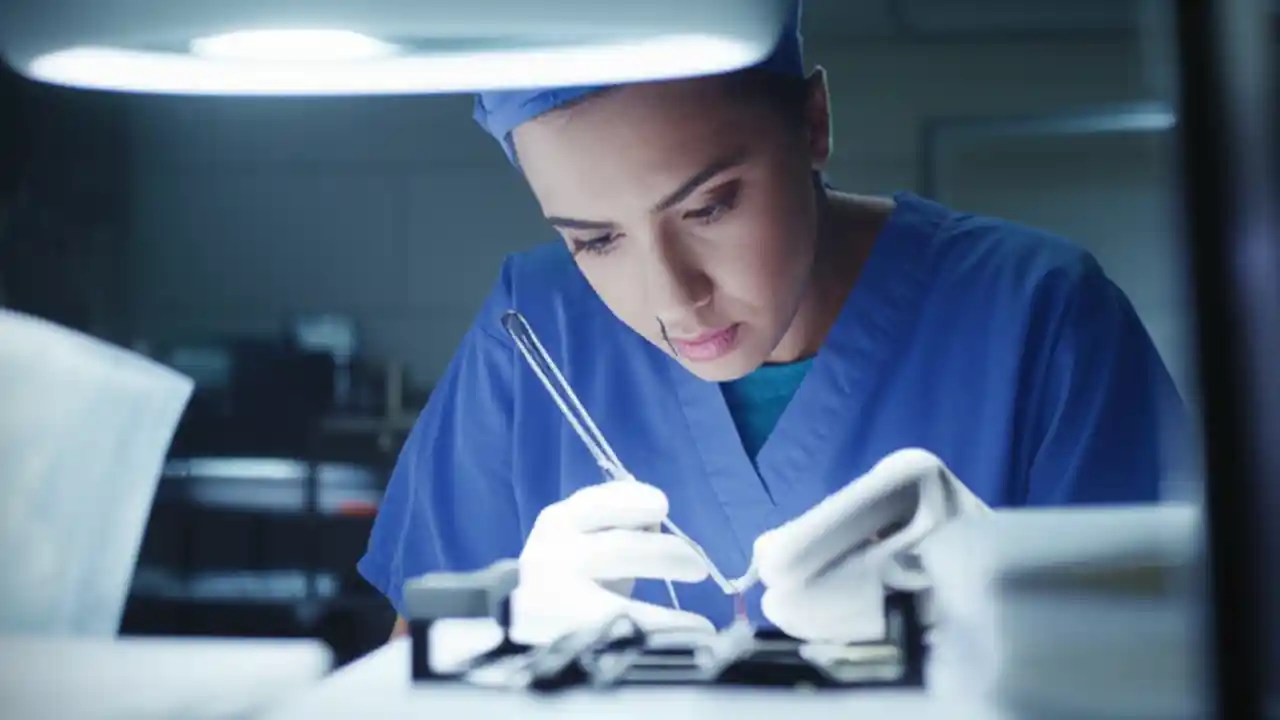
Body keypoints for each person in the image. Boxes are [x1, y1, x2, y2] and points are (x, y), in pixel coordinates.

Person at [358, 2, 1186, 640]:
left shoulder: (1041, 317)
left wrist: (1008, 601)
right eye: (597, 240)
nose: (674, 300)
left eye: (710, 206)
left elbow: (1185, 667)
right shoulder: (534, 332)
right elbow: (403, 670)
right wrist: (491, 648)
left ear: (814, 122)